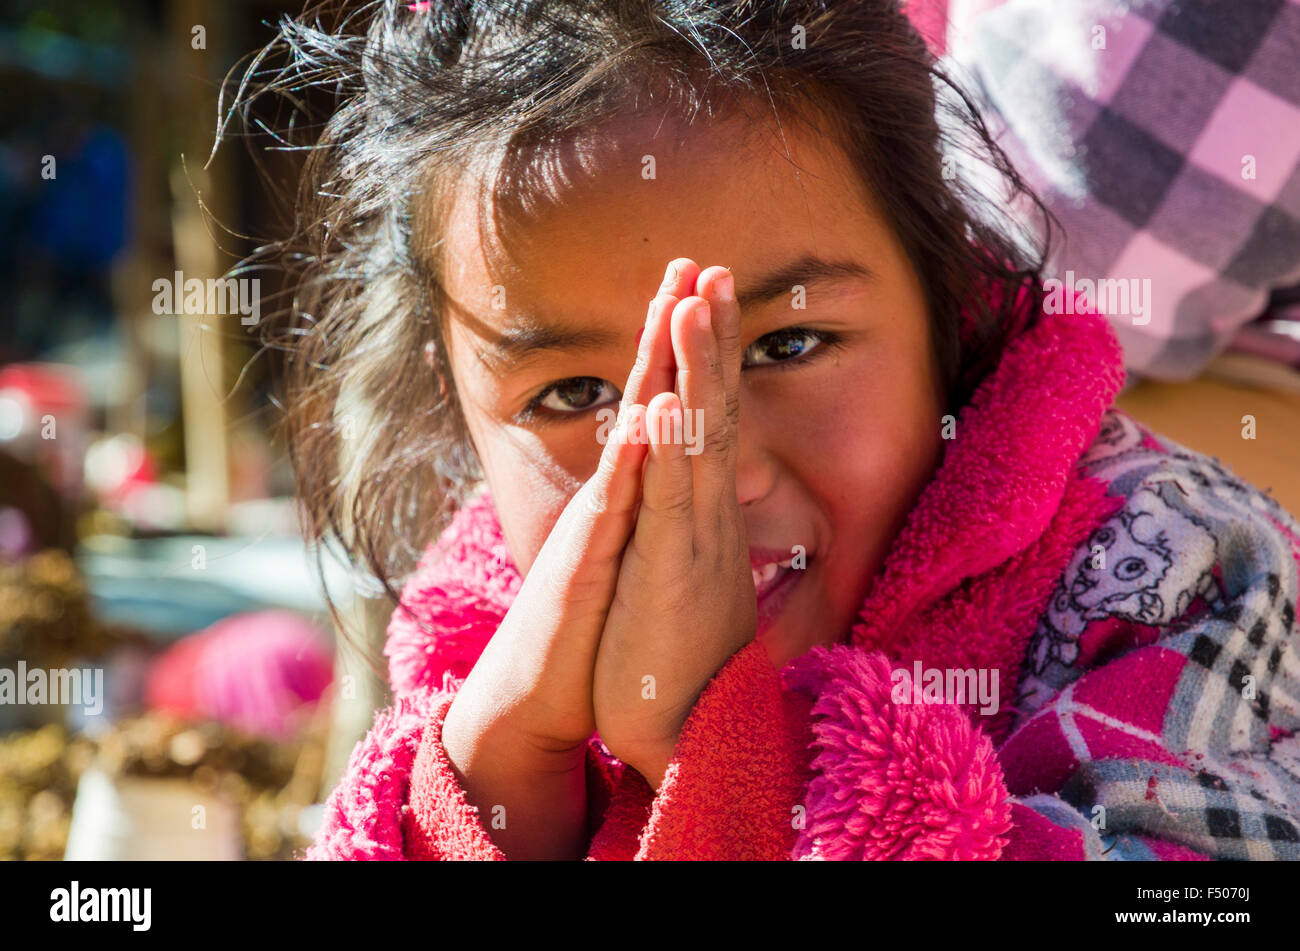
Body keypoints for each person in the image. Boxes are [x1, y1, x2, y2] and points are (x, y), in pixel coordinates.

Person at [227, 0, 1300, 860]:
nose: (710, 466)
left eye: (783, 347)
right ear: (460, 412)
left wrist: (735, 762)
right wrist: (497, 794)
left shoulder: (1172, 569)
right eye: (569, 395)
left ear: (947, 307)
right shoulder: (480, 648)